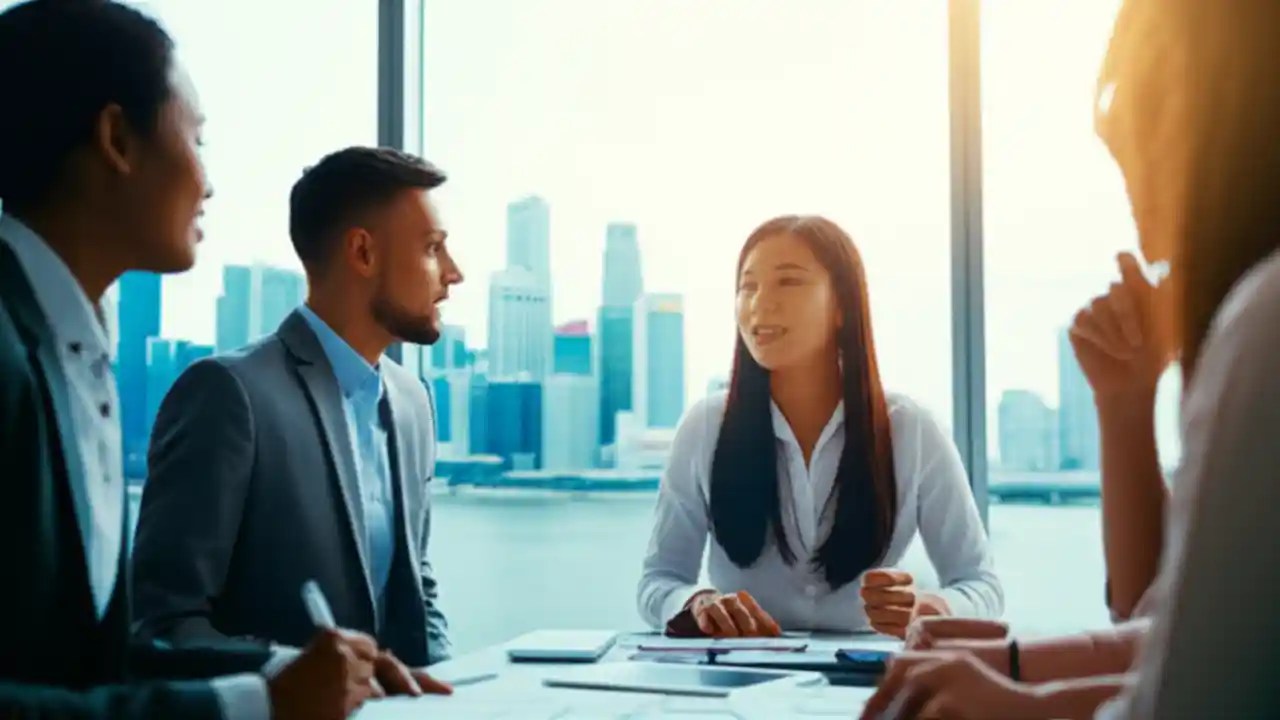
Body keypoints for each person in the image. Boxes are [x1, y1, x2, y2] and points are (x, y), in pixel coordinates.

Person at [861, 0, 1280, 716]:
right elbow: (1166, 616)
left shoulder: (1265, 322)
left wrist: (1016, 697)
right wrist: (1125, 401)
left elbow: (1199, 696)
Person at [0, 1, 383, 718]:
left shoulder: (71, 351)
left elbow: (83, 658)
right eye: (197, 138)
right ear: (117, 137)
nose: (208, 181)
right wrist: (249, 706)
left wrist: (282, 669)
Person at [132, 146, 462, 685]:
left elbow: (416, 586)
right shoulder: (228, 394)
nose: (453, 274)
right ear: (362, 252)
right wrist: (289, 670)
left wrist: (456, 687)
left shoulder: (412, 402)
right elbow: (163, 625)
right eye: (432, 248)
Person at [637, 215, 1002, 639]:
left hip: (865, 683)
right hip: (740, 684)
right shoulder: (705, 427)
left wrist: (930, 607)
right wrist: (697, 602)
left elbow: (982, 586)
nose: (760, 303)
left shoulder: (912, 429)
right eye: (748, 286)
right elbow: (658, 580)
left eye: (788, 282)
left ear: (843, 306)